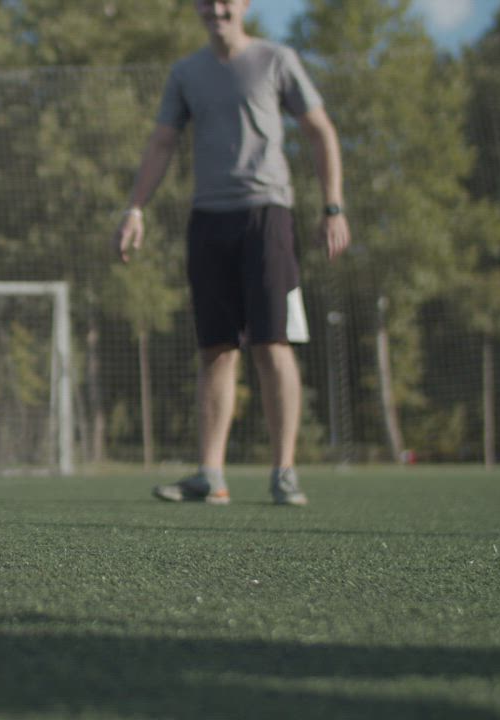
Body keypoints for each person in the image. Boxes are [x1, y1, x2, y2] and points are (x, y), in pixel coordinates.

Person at [112, 0, 350, 506]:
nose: (217, 7)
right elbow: (161, 143)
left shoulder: (276, 59)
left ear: (243, 5)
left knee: (272, 341)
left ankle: (284, 472)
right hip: (208, 220)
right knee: (215, 348)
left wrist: (333, 206)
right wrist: (135, 208)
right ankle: (210, 475)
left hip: (268, 217)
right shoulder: (185, 73)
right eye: (207, 0)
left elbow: (320, 131)